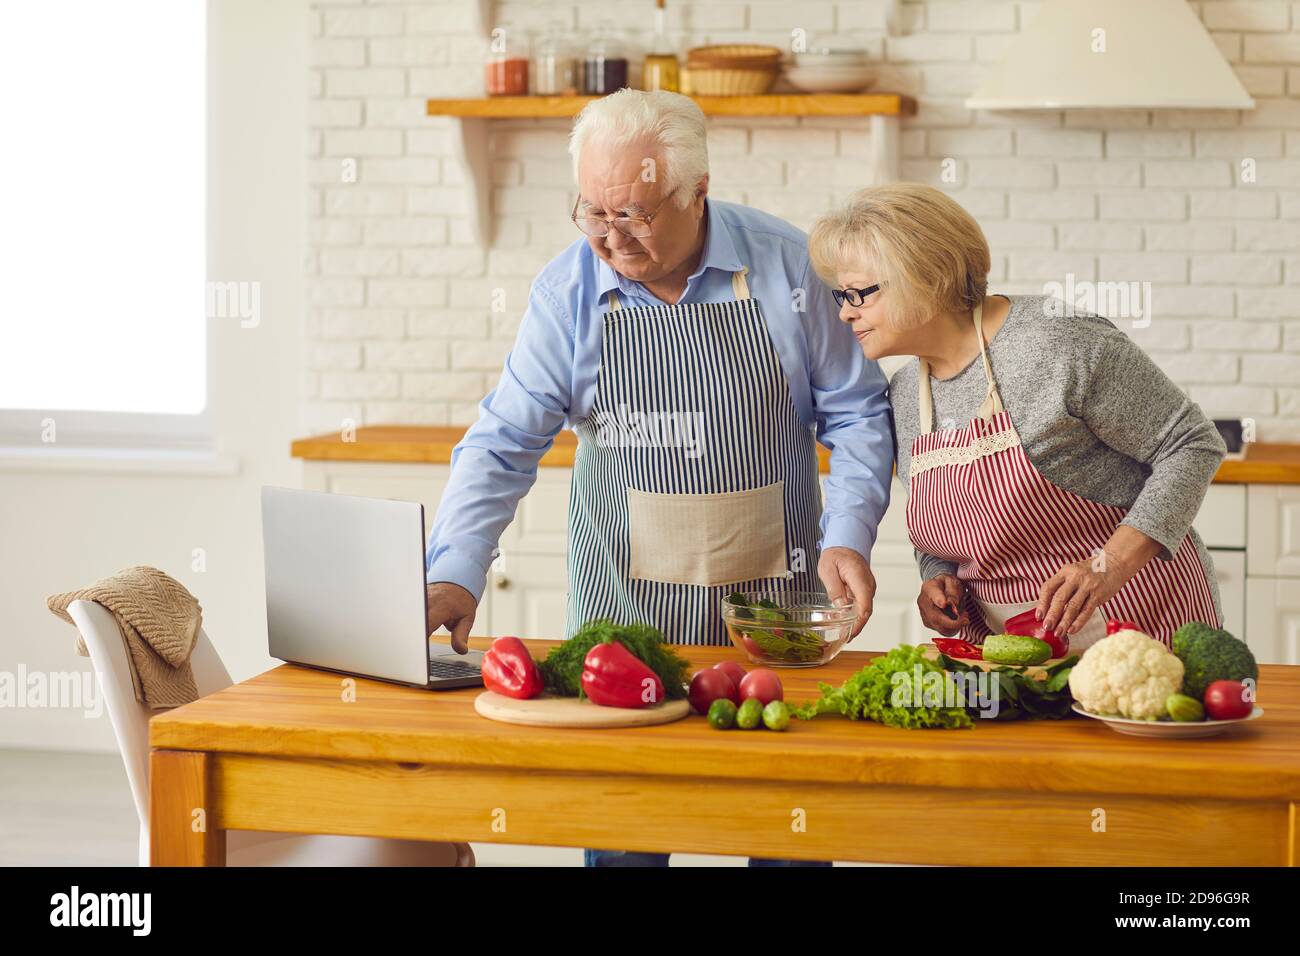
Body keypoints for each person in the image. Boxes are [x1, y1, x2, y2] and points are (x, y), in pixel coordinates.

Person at [425, 90, 894, 867]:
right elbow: (502, 442)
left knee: (787, 835)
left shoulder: (787, 268)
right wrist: (455, 569)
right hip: (625, 617)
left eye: (635, 215)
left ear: (696, 190)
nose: (611, 239)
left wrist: (848, 535)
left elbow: (857, 415)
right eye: (593, 213)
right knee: (625, 844)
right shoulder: (567, 292)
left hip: (775, 620)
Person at [809, 183, 1225, 651]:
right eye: (839, 296)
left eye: (859, 294)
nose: (845, 314)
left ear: (925, 276)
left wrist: (1107, 566)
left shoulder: (1060, 344)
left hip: (1144, 628)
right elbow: (944, 532)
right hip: (1013, 656)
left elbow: (1192, 444)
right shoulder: (906, 395)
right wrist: (938, 578)